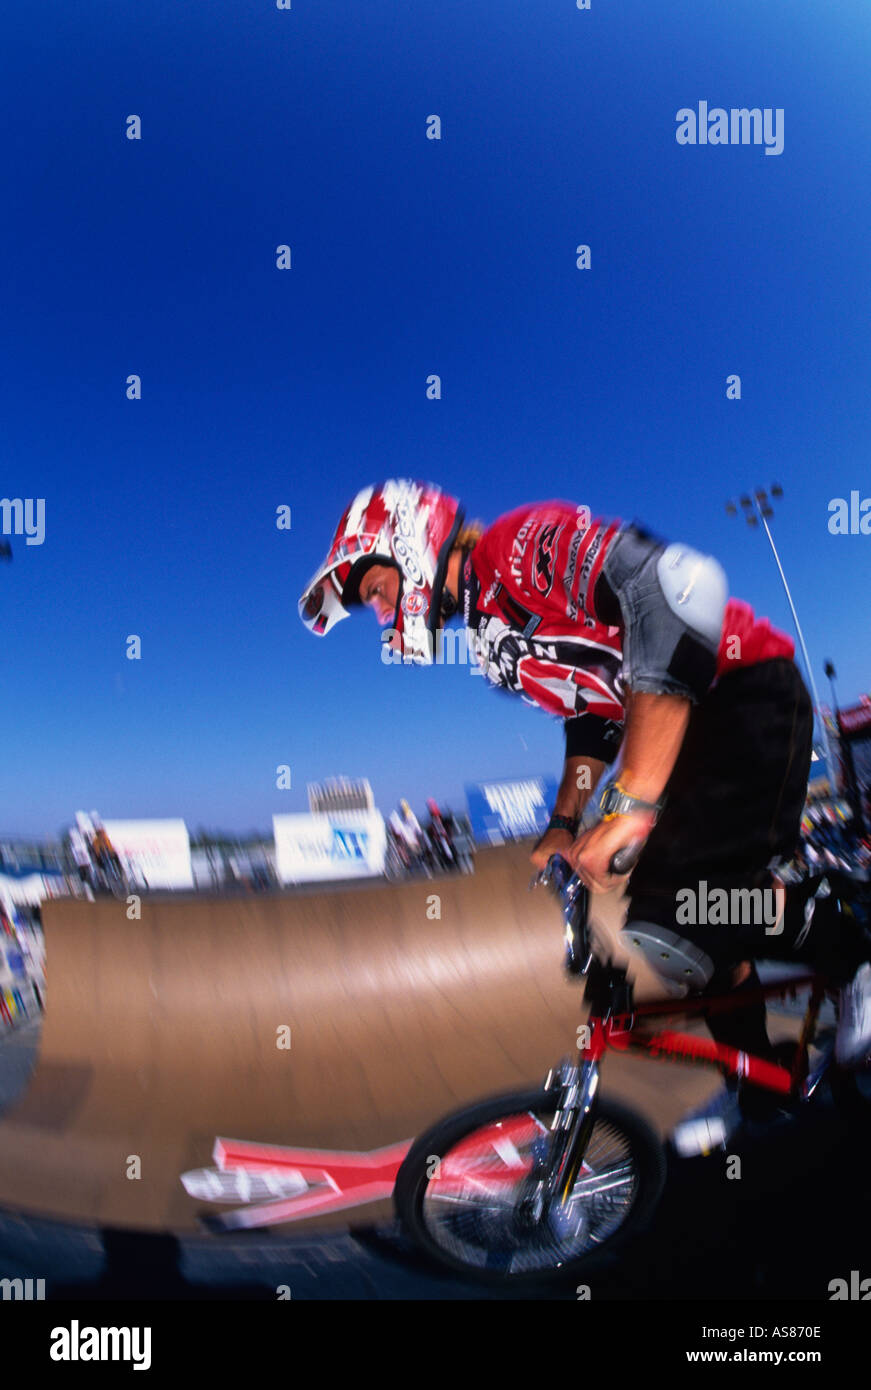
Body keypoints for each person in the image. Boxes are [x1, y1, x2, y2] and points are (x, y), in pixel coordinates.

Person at [299, 480, 871, 1154]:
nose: (381, 611)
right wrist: (563, 822)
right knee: (698, 939)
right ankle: (762, 1088)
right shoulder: (494, 643)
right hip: (694, 734)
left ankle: (850, 942)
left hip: (744, 696)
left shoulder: (512, 549)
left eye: (374, 591)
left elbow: (669, 587)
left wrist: (629, 807)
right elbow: (592, 721)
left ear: (407, 541)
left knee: (682, 909)